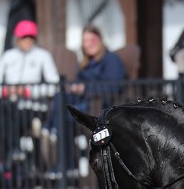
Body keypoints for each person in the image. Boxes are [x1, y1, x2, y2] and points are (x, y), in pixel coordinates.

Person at [46, 24, 127, 175]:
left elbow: (114, 87)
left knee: (65, 117)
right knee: (61, 98)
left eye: (92, 39)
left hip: (101, 108)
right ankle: (53, 132)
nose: (88, 44)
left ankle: (51, 129)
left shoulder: (111, 60)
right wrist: (74, 89)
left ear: (100, 40)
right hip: (83, 104)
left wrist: (86, 89)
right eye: (85, 41)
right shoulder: (84, 65)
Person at [0, 19, 59, 185]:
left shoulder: (43, 56)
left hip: (34, 107)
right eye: (24, 37)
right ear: (17, 39)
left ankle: (13, 154)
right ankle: (13, 155)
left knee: (10, 114)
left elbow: (54, 86)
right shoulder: (7, 57)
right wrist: (6, 91)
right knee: (7, 109)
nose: (27, 40)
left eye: (31, 37)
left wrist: (28, 91)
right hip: (9, 107)